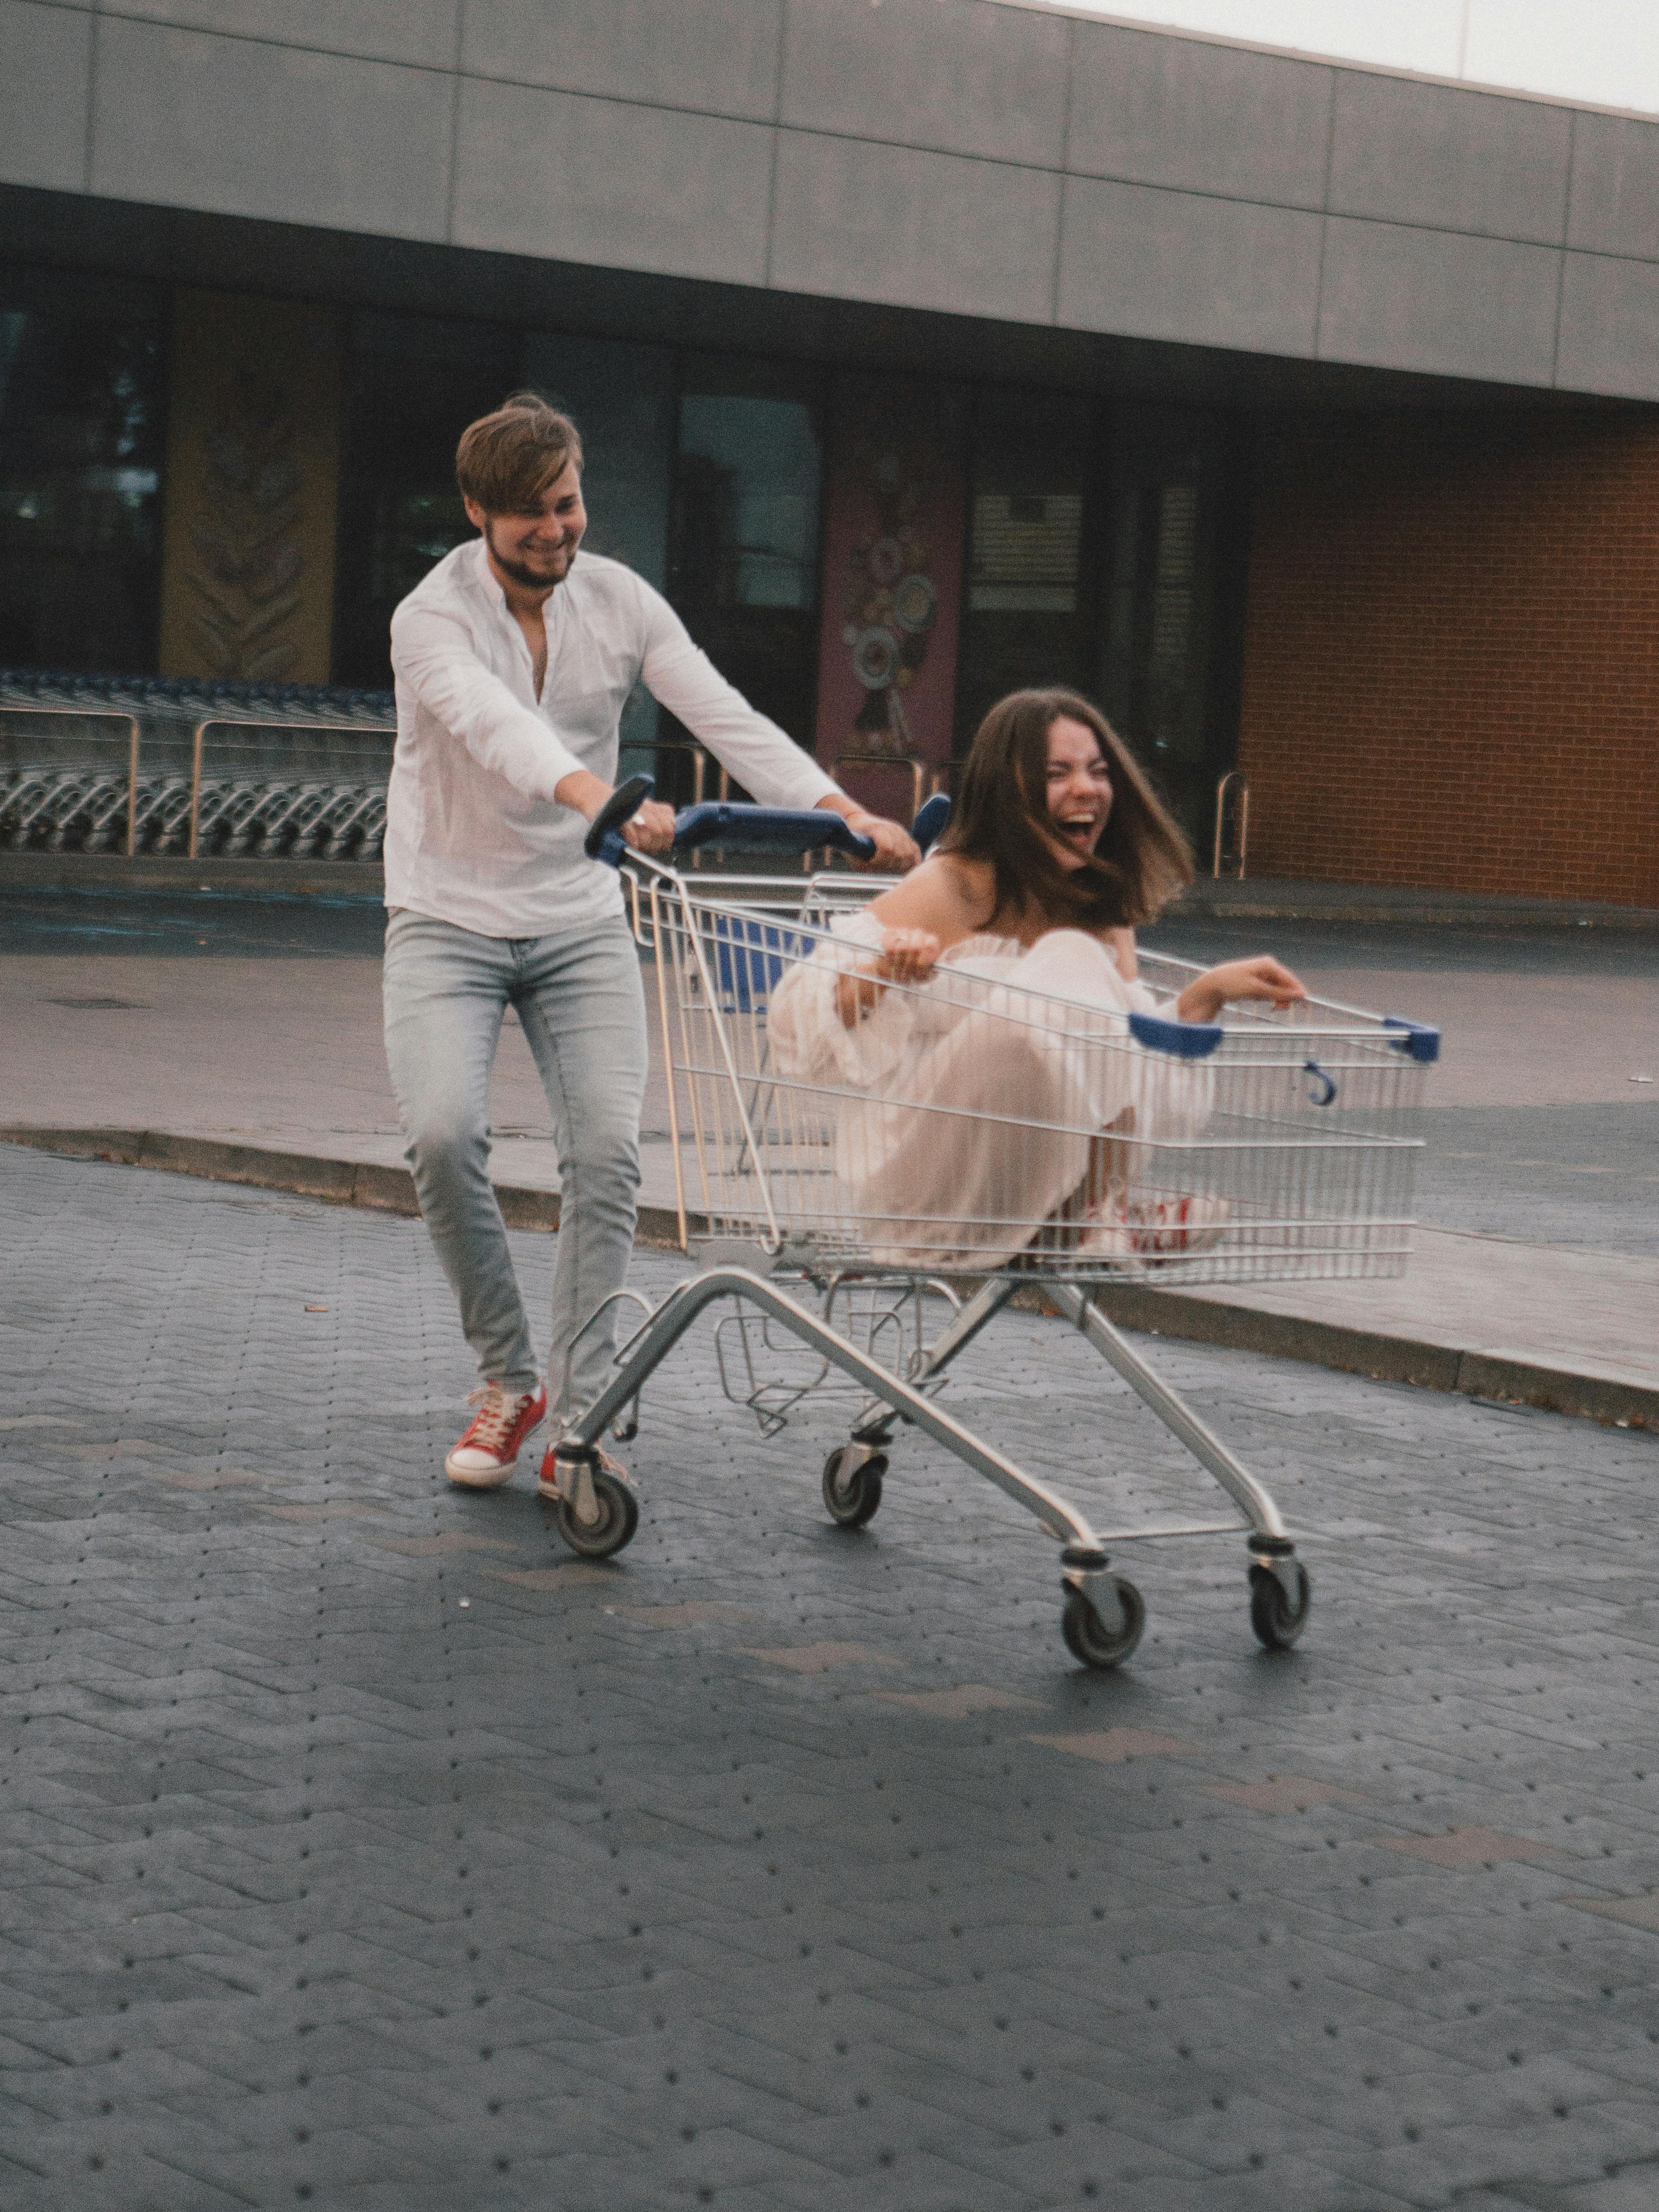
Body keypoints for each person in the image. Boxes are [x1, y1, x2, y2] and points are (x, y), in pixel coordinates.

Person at [382, 393, 917, 1492]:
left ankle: (577, 1419)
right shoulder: (428, 620)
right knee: (442, 1138)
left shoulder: (622, 600)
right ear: (478, 512)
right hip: (447, 914)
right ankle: (507, 1379)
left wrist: (842, 813)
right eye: (528, 514)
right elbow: (498, 728)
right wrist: (604, 800)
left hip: (580, 916)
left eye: (568, 505)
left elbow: (721, 714)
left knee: (608, 1158)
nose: (555, 530)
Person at [767, 688, 1305, 1269]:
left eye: (1098, 772)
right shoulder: (951, 888)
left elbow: (1134, 1080)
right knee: (1070, 961)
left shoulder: (1102, 908)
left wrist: (1205, 997)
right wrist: (879, 973)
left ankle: (1092, 1213)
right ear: (1008, 794)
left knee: (1085, 974)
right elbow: (796, 1022)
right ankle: (1100, 1218)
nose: (1086, 789)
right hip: (926, 1182)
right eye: (1058, 773)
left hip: (1038, 1183)